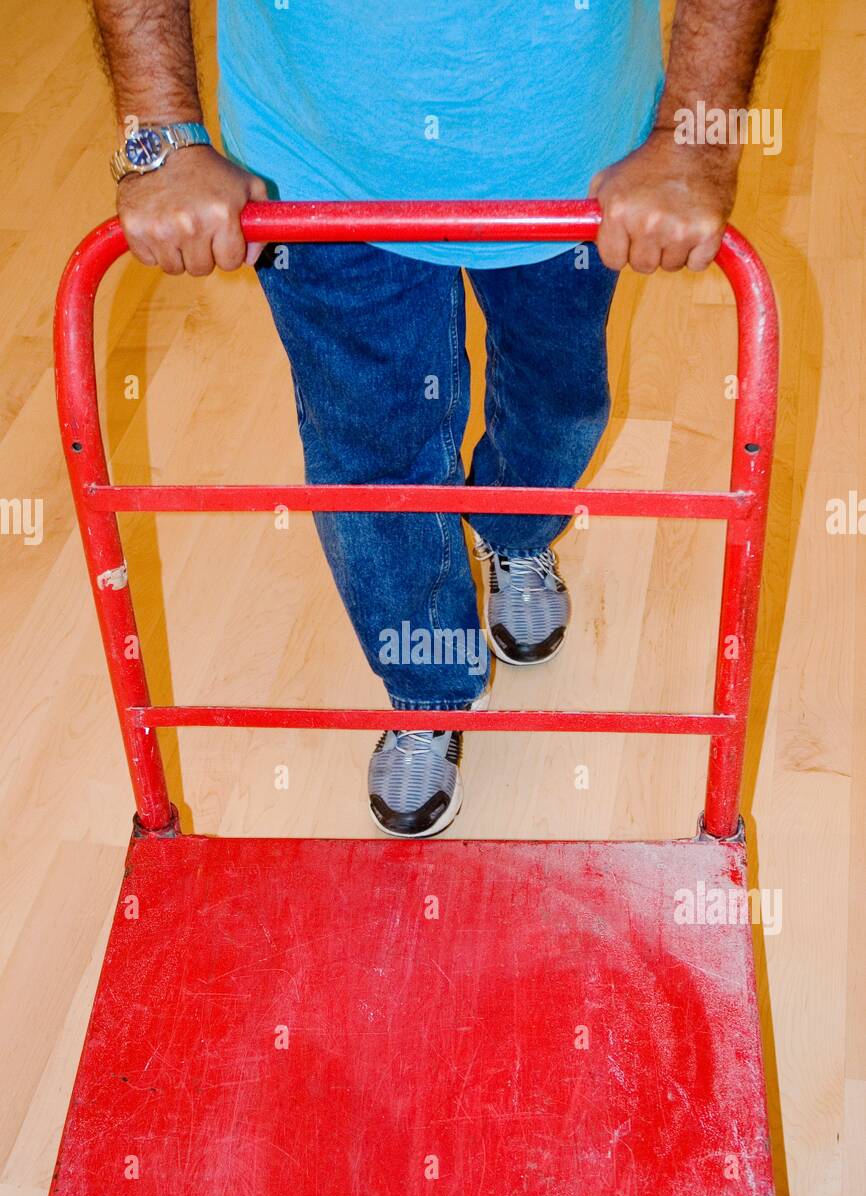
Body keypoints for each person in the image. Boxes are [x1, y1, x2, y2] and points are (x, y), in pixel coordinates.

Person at [92, 0, 777, 837]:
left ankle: (515, 531)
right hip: (318, 160)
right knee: (370, 449)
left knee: (558, 397)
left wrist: (696, 137)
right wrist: (161, 135)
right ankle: (428, 681)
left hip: (573, 154)